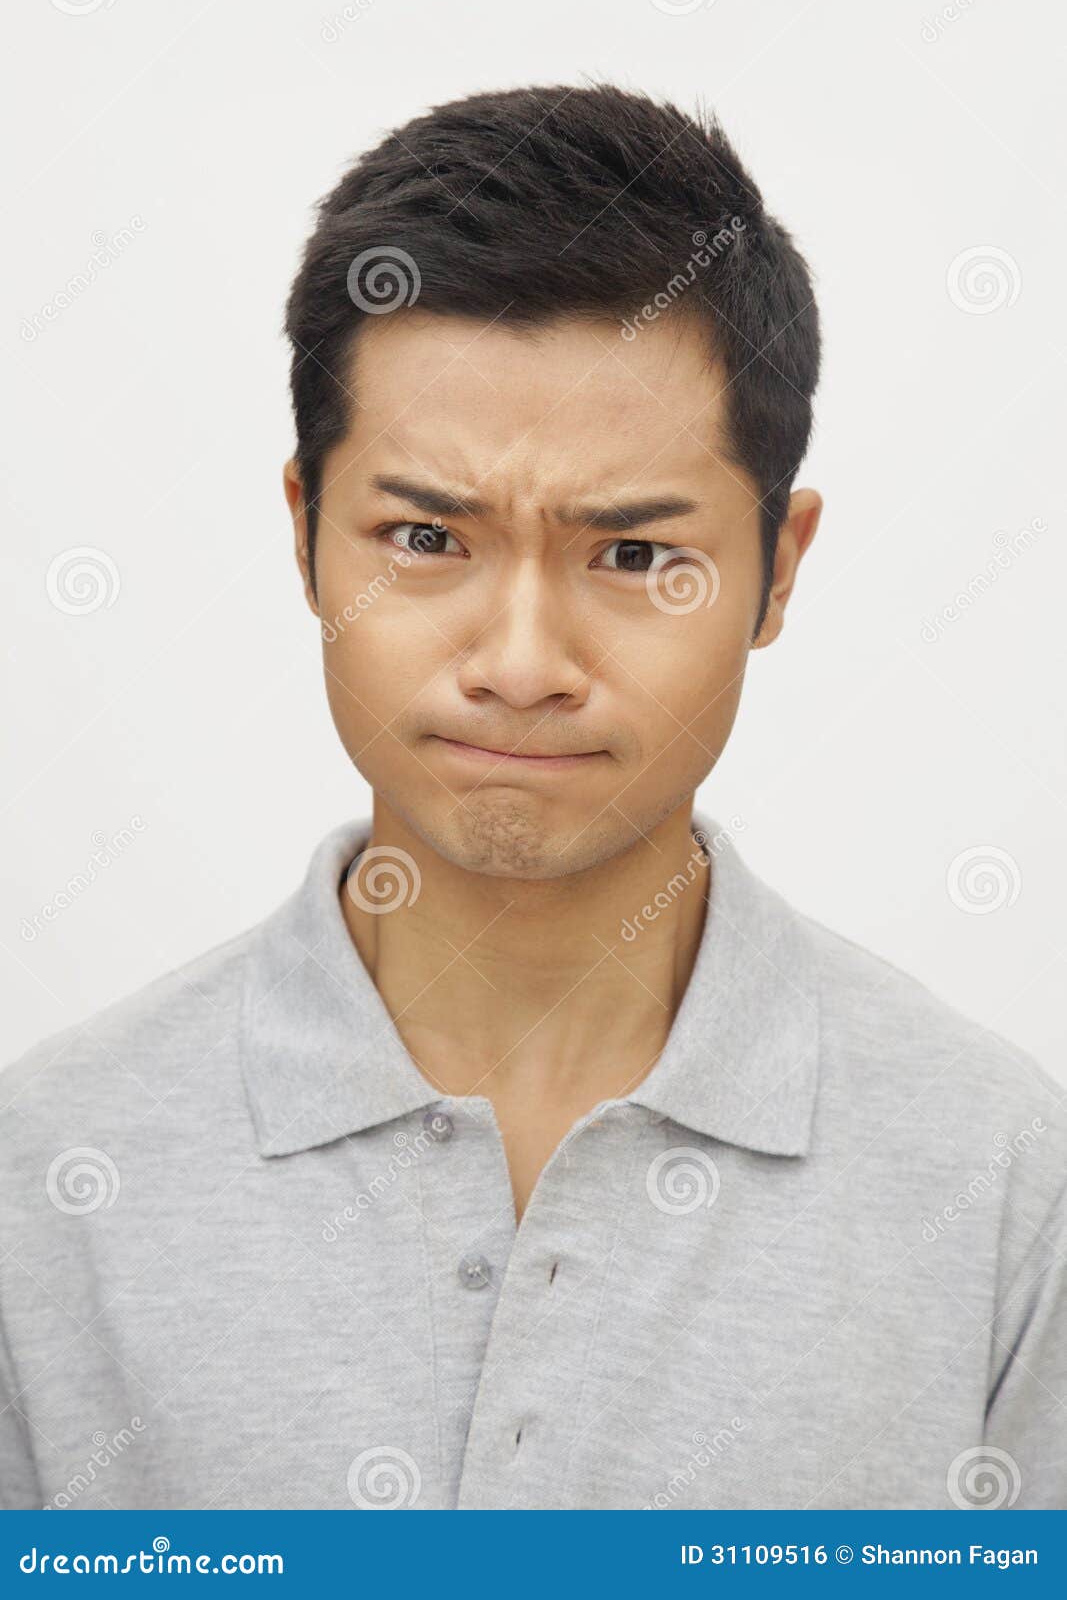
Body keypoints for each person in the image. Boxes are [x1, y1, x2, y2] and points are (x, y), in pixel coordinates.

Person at [2, 84, 1063, 1512]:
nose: (518, 664)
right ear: (308, 534)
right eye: (425, 535)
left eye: (632, 556)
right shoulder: (47, 1179)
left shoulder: (1006, 1187)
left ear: (780, 568)